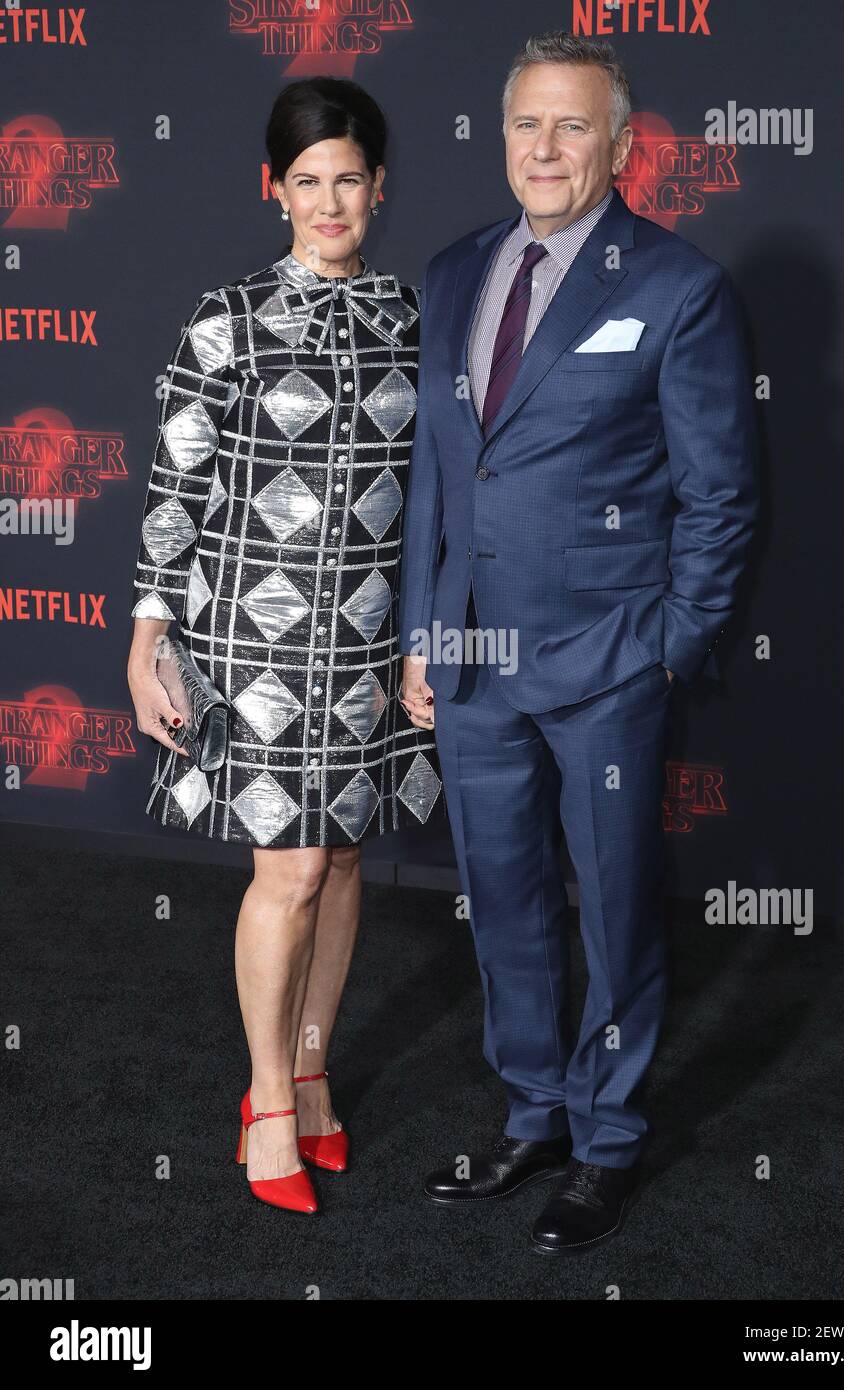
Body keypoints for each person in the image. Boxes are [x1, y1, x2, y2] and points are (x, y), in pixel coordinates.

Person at [398, 31, 758, 1255]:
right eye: (524, 125)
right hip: (473, 665)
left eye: (570, 127)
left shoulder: (675, 286)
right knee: (501, 904)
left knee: (610, 912)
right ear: (501, 138)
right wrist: (420, 635)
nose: (543, 149)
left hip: (609, 663)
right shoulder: (452, 273)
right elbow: (441, 479)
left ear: (616, 145)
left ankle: (606, 1142)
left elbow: (721, 496)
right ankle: (532, 1112)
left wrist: (669, 644)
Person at [127, 77, 444, 1215]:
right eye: (305, 182)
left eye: (347, 179)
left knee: (346, 855)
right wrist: (147, 638)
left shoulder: (416, 317)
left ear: (377, 186)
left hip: (368, 640)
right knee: (292, 866)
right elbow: (174, 488)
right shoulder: (225, 318)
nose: (328, 200)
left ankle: (313, 1068)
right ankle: (266, 1097)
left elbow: (442, 491)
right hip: (251, 642)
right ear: (275, 191)